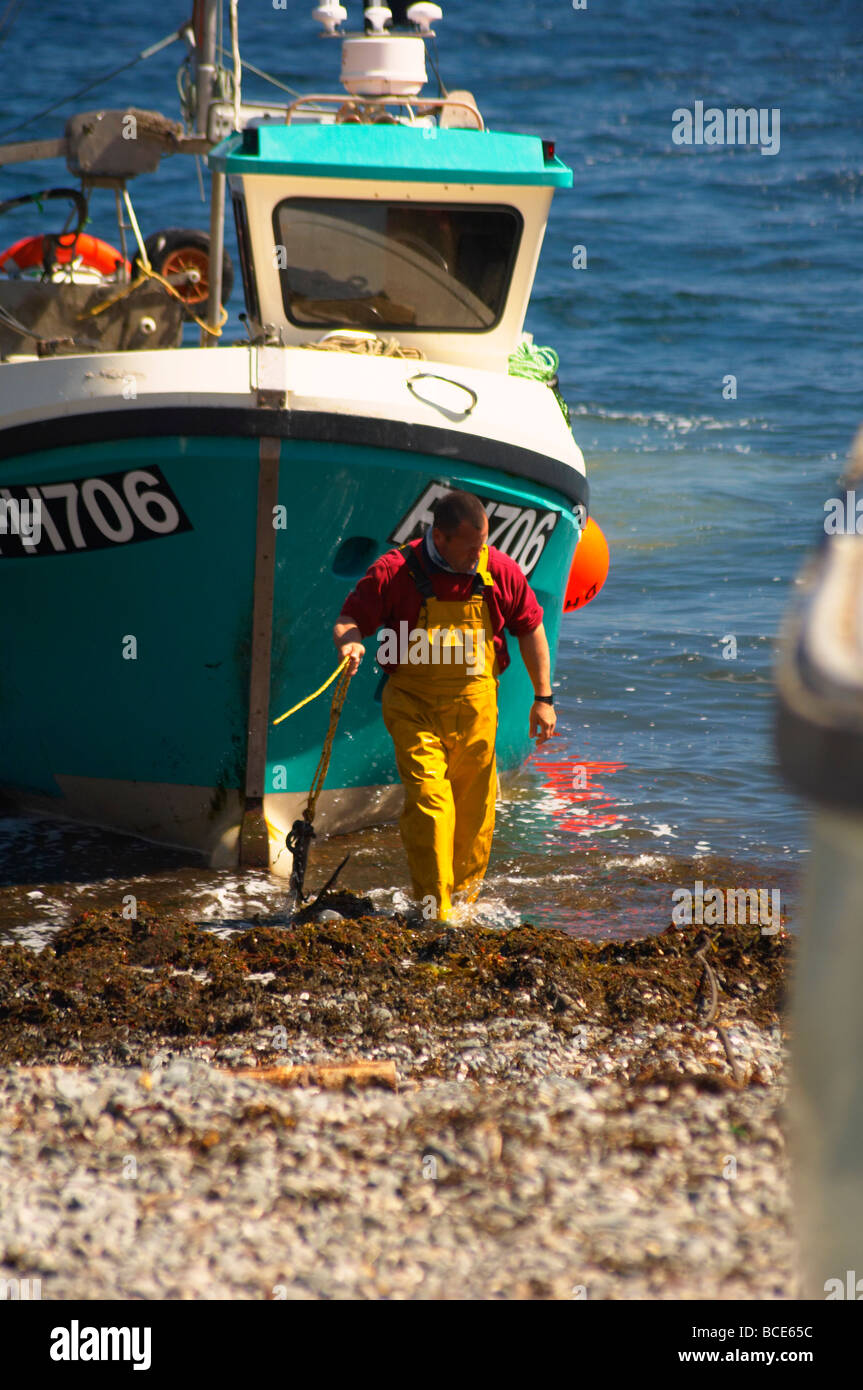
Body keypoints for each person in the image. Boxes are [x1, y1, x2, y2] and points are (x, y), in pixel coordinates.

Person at [333, 489, 556, 922]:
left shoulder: (500, 572)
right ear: (440, 537)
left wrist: (543, 698)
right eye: (471, 548)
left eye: (484, 544)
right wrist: (351, 644)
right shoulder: (394, 572)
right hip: (414, 705)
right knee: (432, 806)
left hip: (475, 708)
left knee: (474, 815)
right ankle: (435, 913)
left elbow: (531, 628)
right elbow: (349, 619)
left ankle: (464, 909)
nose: (480, 555)